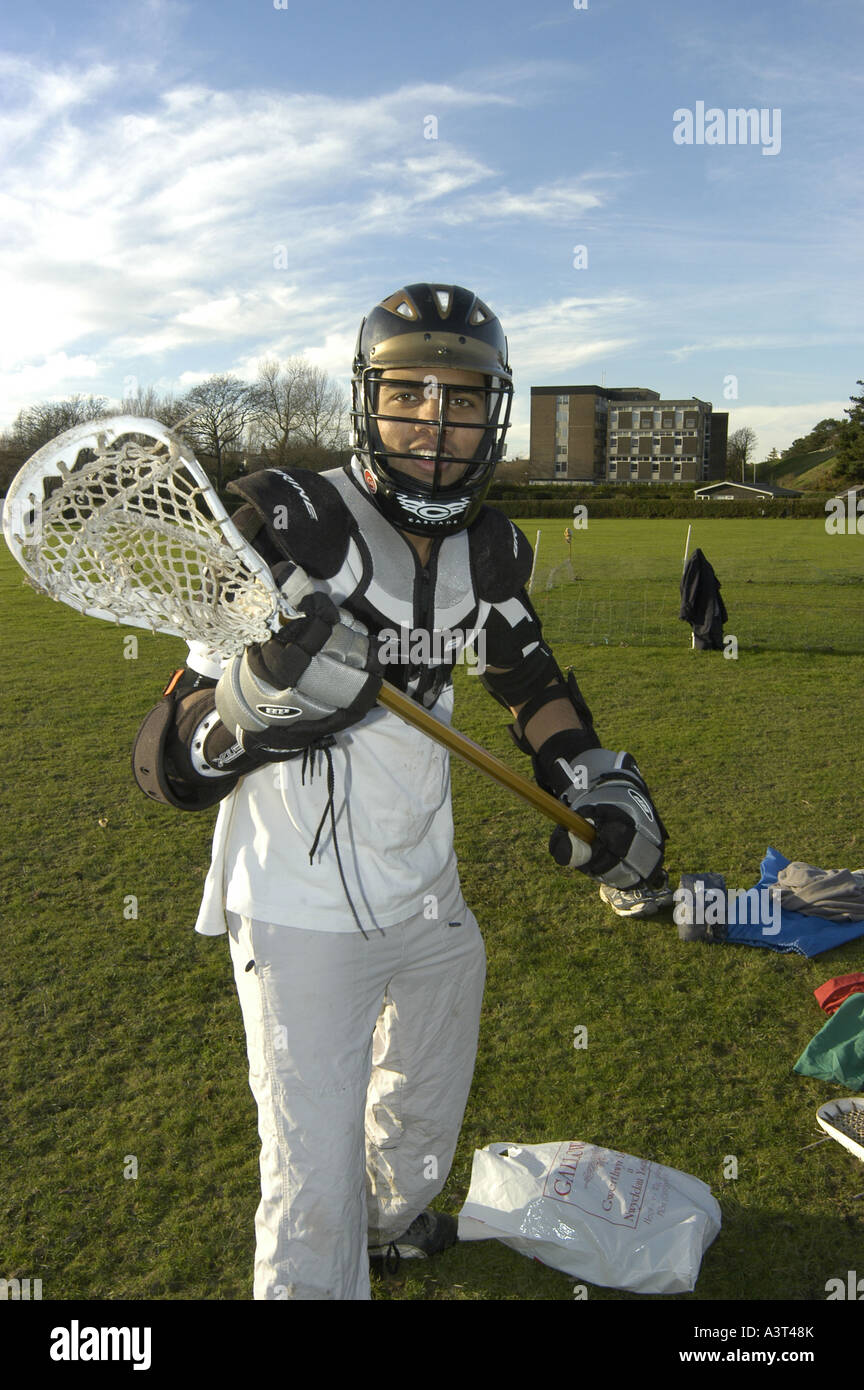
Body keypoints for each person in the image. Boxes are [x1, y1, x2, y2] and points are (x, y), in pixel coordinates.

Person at [132, 282, 669, 1300]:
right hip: (296, 907)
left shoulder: (494, 548)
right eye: (411, 393)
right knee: (309, 1180)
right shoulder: (282, 521)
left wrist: (597, 786)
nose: (435, 420)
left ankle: (394, 1219)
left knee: (422, 1121)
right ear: (366, 401)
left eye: (462, 399)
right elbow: (167, 761)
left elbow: (533, 686)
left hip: (427, 889)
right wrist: (257, 702)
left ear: (493, 414)